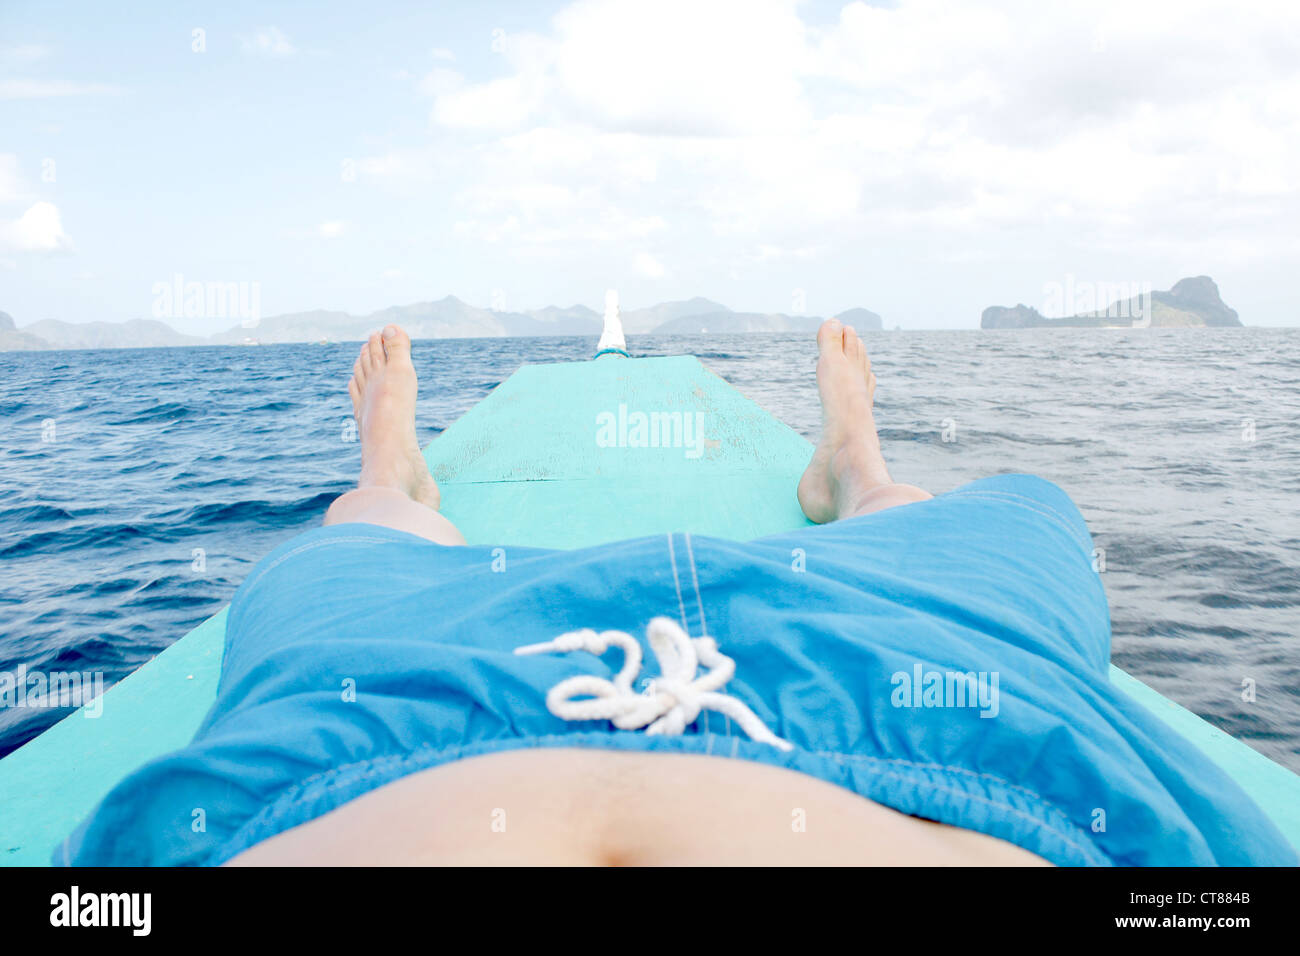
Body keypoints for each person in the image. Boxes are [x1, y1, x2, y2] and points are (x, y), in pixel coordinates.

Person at [58, 323, 1295, 866]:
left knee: (339, 562)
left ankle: (389, 476)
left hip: (368, 710)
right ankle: (858, 469)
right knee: (1022, 517)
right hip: (965, 726)